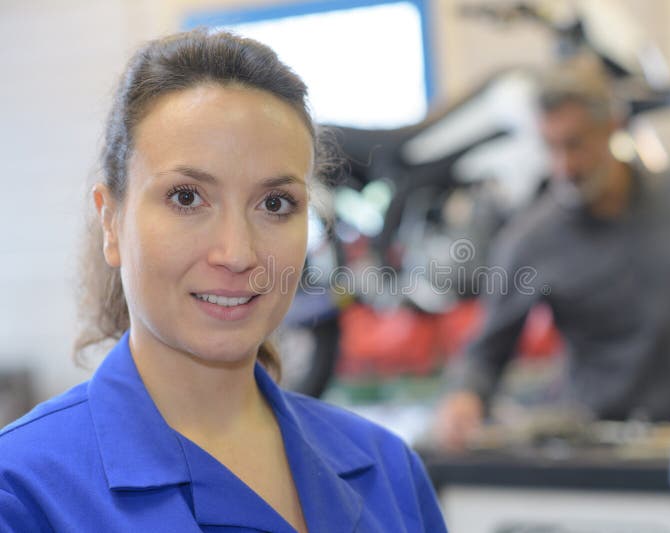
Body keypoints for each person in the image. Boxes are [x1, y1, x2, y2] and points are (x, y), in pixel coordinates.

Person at [0, 29, 447, 532]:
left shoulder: (387, 471)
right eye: (187, 197)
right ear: (111, 223)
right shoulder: (23, 492)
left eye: (275, 204)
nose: (237, 253)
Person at [436, 64, 670, 451]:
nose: (565, 166)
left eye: (575, 144)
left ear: (613, 127)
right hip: (601, 446)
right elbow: (487, 351)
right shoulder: (530, 241)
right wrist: (465, 396)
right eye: (551, 147)